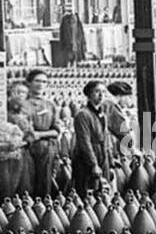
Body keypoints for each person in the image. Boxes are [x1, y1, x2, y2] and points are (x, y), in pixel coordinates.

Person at [22, 69, 63, 197]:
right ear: (29, 83)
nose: (41, 84)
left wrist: (39, 135)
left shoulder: (50, 105)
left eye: (44, 82)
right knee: (26, 183)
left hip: (45, 149)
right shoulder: (22, 104)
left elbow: (56, 130)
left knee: (44, 183)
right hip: (25, 149)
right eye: (37, 81)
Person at [72, 80, 112, 194]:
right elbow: (84, 142)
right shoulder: (82, 115)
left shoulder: (102, 115)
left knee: (103, 192)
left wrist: (109, 160)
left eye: (103, 92)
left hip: (101, 156)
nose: (101, 95)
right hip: (85, 158)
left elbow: (105, 139)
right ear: (89, 95)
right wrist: (93, 164)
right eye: (97, 91)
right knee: (87, 192)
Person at [105, 81, 135, 157]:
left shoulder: (107, 105)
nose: (130, 101)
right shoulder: (112, 108)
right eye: (129, 97)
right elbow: (122, 133)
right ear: (121, 96)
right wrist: (133, 150)